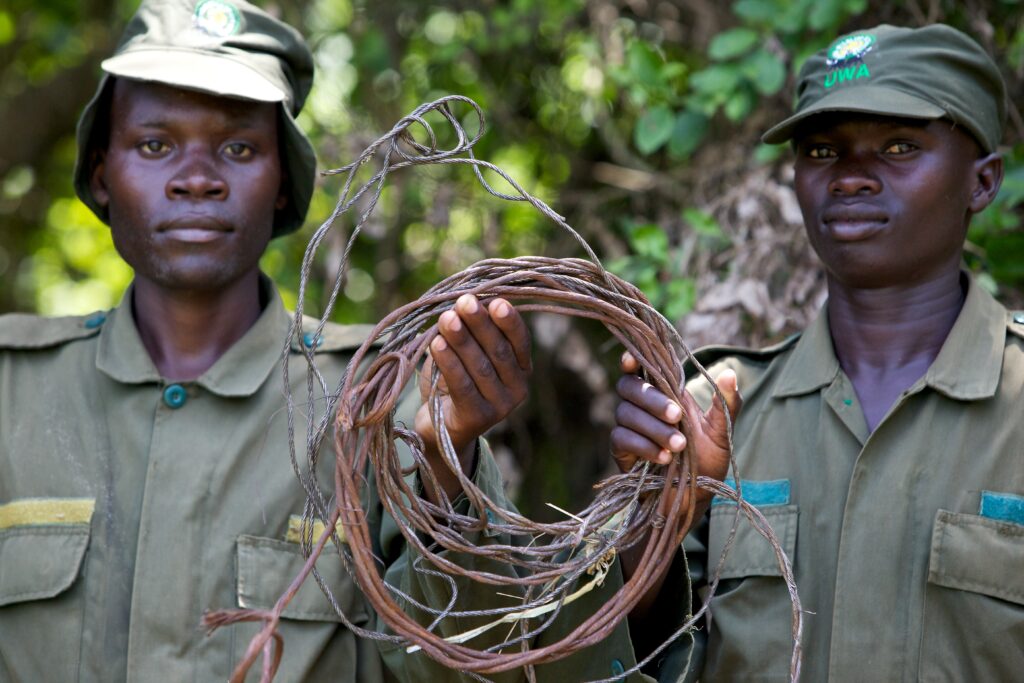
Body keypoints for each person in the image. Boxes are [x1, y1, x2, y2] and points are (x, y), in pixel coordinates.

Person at [0, 1, 536, 680]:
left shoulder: (381, 402)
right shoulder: (11, 390)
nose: (198, 178)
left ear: (285, 183)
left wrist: (445, 465)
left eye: (239, 148)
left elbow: (486, 664)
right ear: (103, 175)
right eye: (156, 145)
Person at [611, 23, 1024, 681]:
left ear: (982, 183)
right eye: (823, 151)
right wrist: (649, 531)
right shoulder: (720, 411)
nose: (852, 178)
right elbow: (637, 660)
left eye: (897, 146)